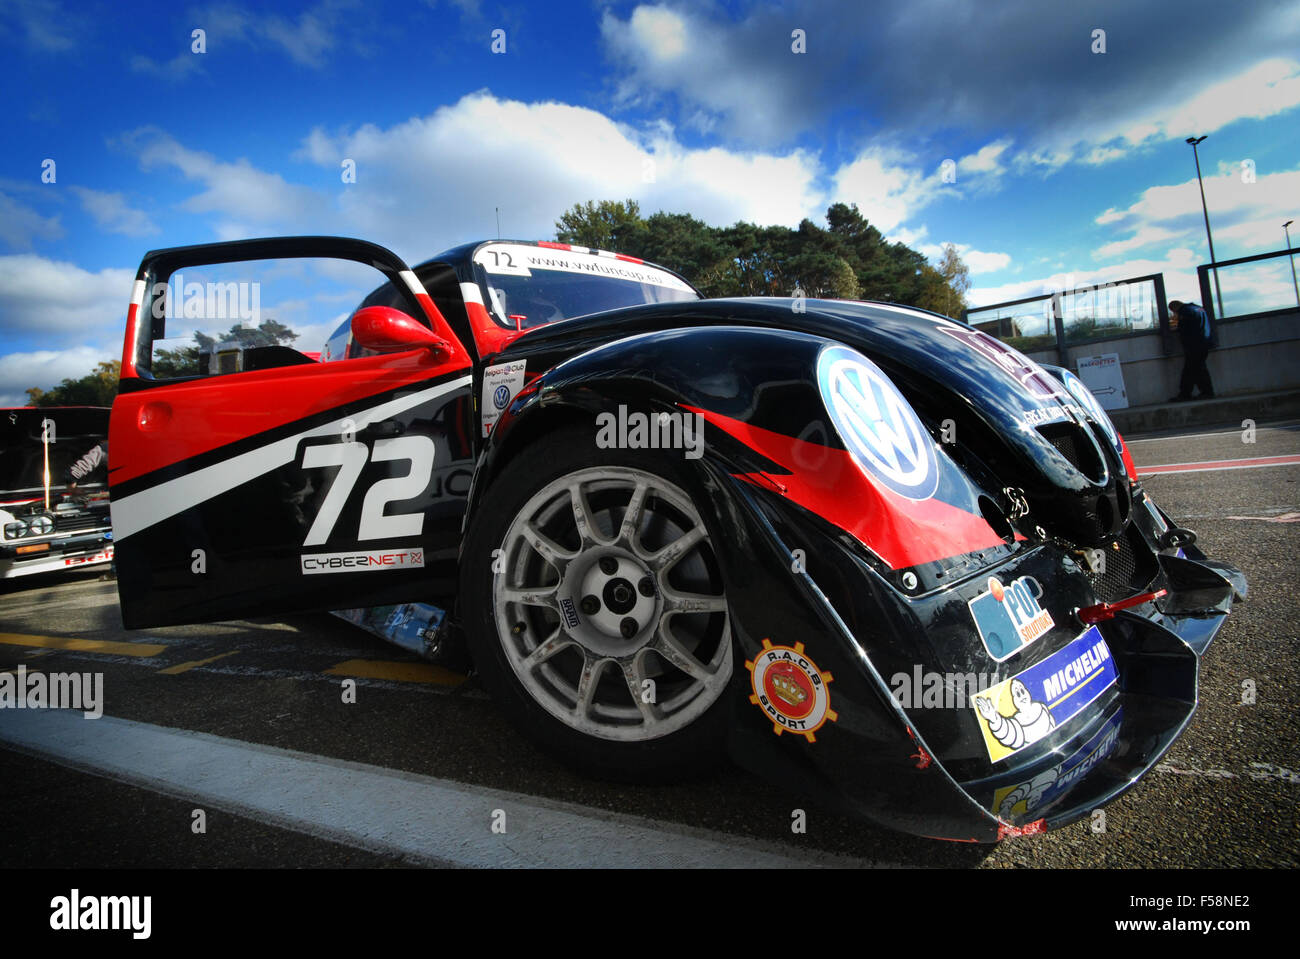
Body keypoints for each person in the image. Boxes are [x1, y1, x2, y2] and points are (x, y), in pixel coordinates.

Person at [1167, 300, 1215, 401]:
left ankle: (1186, 394)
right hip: (1204, 342)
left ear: (1175, 308)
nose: (1175, 314)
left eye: (1173, 312)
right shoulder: (1198, 308)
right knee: (1199, 369)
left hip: (1195, 345)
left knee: (1190, 370)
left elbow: (1184, 328)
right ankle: (1205, 392)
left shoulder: (1185, 311)